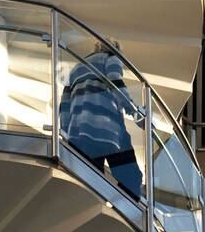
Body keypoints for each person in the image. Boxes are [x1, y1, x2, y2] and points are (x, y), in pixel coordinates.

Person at [59, 39, 144, 198]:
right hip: (106, 128)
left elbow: (64, 105)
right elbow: (116, 83)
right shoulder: (110, 57)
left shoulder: (77, 68)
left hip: (79, 135)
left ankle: (100, 204)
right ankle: (126, 212)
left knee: (92, 180)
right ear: (116, 49)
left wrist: (65, 133)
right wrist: (134, 112)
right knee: (131, 177)